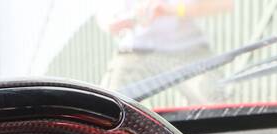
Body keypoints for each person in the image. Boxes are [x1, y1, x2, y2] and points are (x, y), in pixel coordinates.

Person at [98, 0, 233, 105]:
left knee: (214, 102)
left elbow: (224, 3)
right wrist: (134, 18)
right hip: (136, 52)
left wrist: (173, 10)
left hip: (189, 49)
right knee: (111, 105)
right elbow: (108, 23)